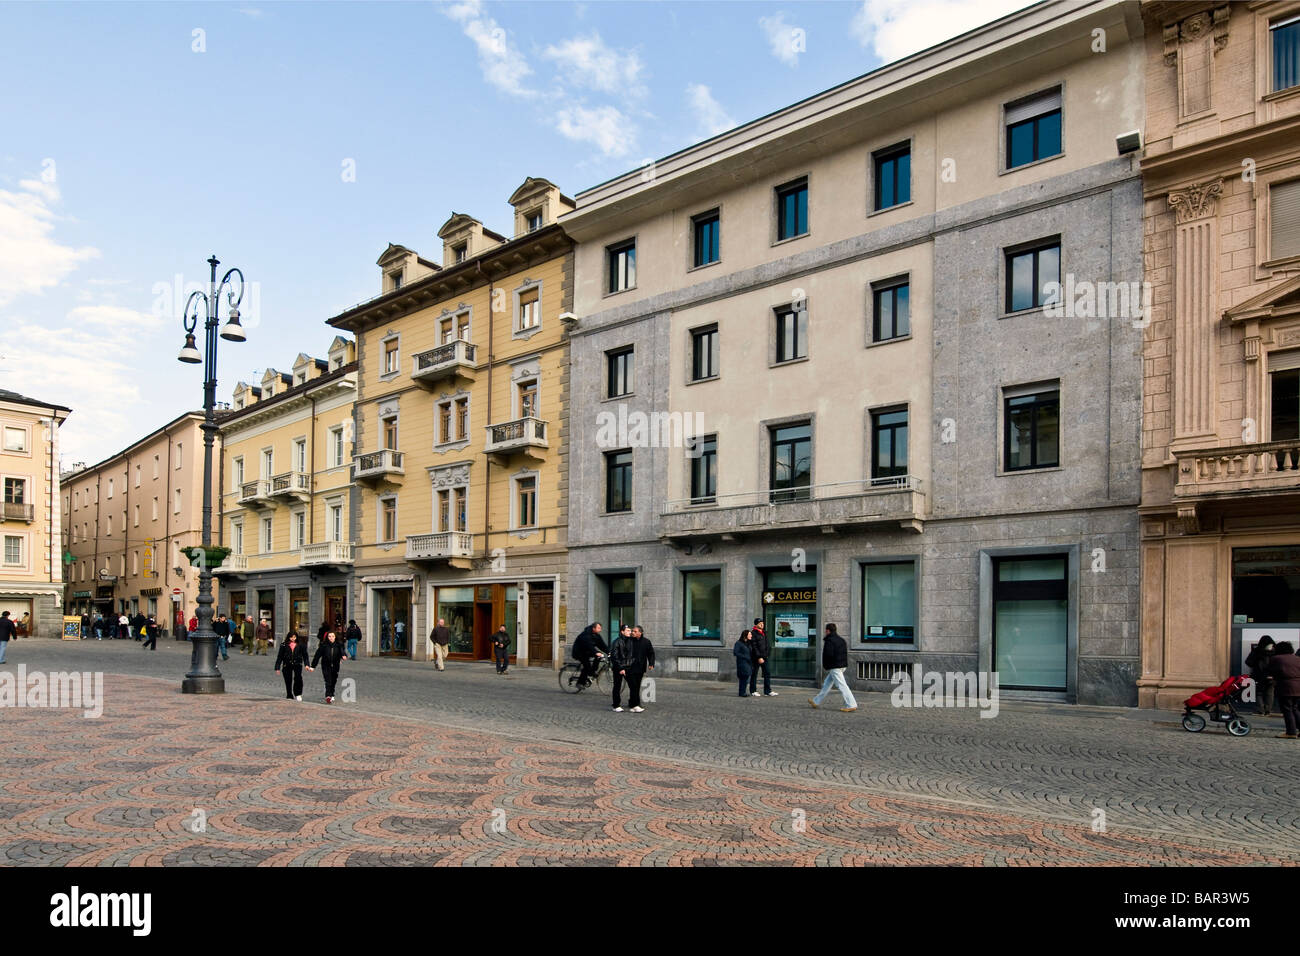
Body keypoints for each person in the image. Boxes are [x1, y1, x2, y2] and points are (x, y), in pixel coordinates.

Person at [809, 622, 856, 712]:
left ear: (827, 631)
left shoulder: (829, 640)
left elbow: (828, 654)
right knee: (827, 683)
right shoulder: (841, 639)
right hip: (842, 665)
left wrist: (826, 665)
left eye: (825, 631)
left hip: (835, 666)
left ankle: (851, 704)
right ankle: (816, 701)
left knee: (842, 685)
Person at [610, 624, 655, 713]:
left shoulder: (638, 641)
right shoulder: (619, 641)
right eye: (629, 631)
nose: (631, 633)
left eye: (633, 631)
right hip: (622, 668)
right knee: (618, 686)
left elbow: (650, 653)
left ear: (640, 633)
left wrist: (651, 663)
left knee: (634, 686)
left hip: (630, 667)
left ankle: (634, 704)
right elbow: (615, 656)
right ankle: (616, 705)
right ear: (622, 632)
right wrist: (621, 668)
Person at [1268, 640, 1300, 739]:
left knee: (1287, 709)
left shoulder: (1276, 658)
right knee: (1295, 708)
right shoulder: (1297, 658)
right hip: (1298, 687)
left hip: (1286, 687)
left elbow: (1272, 671)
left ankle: (1291, 732)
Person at [311, 630, 346, 703]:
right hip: (326, 665)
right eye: (329, 636)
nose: (331, 638)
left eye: (333, 636)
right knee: (328, 680)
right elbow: (317, 656)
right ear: (327, 637)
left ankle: (332, 694)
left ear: (335, 637)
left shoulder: (339, 644)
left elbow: (342, 651)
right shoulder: (323, 645)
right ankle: (328, 695)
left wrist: (343, 655)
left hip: (335, 665)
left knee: (333, 680)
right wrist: (313, 666)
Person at [275, 630, 311, 701]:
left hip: (297, 664)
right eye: (291, 637)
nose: (292, 639)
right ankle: (289, 694)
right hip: (287, 664)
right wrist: (277, 667)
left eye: (294, 637)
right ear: (288, 637)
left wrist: (307, 664)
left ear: (296, 637)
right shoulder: (283, 645)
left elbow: (305, 656)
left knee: (298, 679)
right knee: (288, 680)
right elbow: (280, 657)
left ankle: (298, 694)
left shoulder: (301, 645)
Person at [1246, 636, 1276, 717]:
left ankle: (1260, 710)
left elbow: (1248, 662)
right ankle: (1268, 710)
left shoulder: (1257, 651)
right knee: (1270, 693)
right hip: (1272, 676)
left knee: (1258, 693)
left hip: (1259, 676)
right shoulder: (1275, 652)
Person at [571, 622, 607, 687]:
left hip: (587, 652)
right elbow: (589, 645)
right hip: (579, 652)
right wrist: (596, 652)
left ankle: (593, 671)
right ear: (593, 628)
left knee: (599, 656)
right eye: (599, 628)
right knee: (587, 666)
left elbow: (602, 645)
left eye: (600, 628)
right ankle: (580, 683)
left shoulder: (597, 635)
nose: (600, 630)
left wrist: (610, 652)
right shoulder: (586, 634)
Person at [749, 618, 778, 697]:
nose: (762, 624)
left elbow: (767, 644)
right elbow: (754, 646)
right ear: (756, 624)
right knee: (754, 674)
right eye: (760, 623)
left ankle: (767, 691)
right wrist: (759, 657)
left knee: (767, 673)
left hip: (765, 656)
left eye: (763, 623)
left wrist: (768, 653)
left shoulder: (764, 633)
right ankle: (753, 691)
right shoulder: (753, 633)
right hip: (757, 658)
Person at [734, 629, 754, 698]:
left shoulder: (748, 643)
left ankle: (743, 692)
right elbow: (736, 652)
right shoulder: (739, 643)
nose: (751, 635)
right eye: (750, 634)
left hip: (748, 662)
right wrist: (745, 656)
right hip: (742, 662)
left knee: (746, 677)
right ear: (745, 635)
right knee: (743, 677)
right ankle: (742, 692)